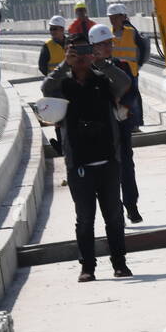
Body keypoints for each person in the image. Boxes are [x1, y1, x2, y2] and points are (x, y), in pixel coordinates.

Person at [41, 33, 133, 282]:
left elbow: (125, 83)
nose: (81, 57)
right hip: (78, 164)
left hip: (108, 161)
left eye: (85, 51)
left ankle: (120, 264)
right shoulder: (64, 85)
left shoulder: (103, 81)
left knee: (114, 215)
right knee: (84, 219)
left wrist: (100, 60)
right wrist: (64, 64)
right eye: (76, 51)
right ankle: (87, 268)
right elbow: (45, 88)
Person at [89, 23, 142, 224]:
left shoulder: (121, 65)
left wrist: (126, 107)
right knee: (106, 172)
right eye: (103, 44)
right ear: (93, 46)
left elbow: (132, 92)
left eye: (109, 43)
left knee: (127, 165)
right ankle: (115, 208)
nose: (108, 47)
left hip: (121, 124)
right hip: (100, 129)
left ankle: (131, 205)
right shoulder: (87, 70)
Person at [107, 4, 149, 131]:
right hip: (114, 73)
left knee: (133, 98)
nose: (112, 20)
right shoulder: (108, 34)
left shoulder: (131, 32)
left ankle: (135, 124)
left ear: (122, 17)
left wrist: (138, 64)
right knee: (118, 100)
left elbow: (143, 48)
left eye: (115, 17)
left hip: (131, 71)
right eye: (111, 17)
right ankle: (122, 124)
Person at [39, 15, 67, 155]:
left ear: (62, 29)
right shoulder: (47, 46)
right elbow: (42, 67)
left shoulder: (70, 44)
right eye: (51, 29)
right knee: (58, 118)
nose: (53, 31)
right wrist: (52, 77)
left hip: (69, 85)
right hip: (54, 88)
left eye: (55, 29)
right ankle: (62, 147)